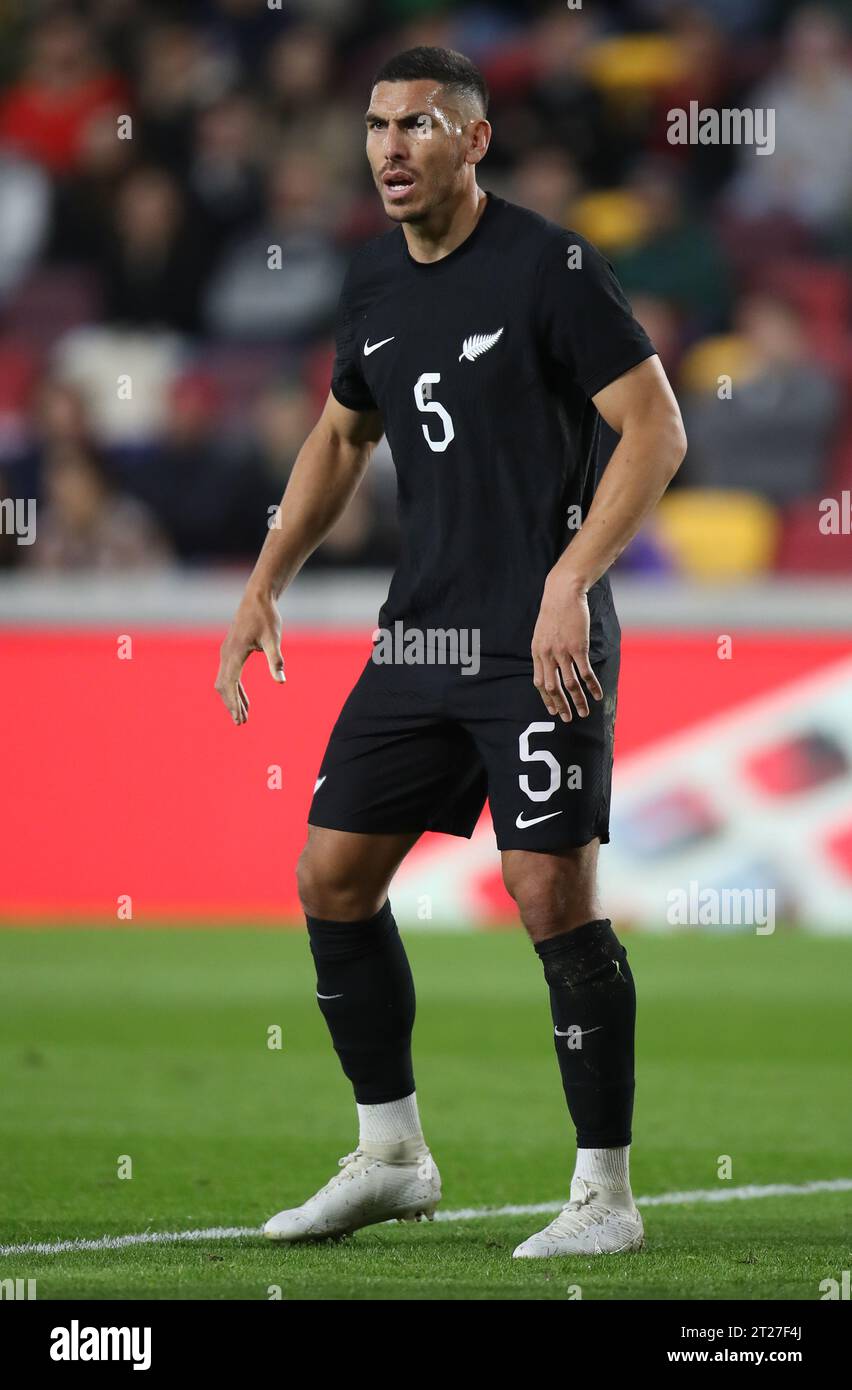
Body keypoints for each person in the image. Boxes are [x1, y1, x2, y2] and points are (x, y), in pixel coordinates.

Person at [216, 46, 686, 1258]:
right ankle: (391, 1157)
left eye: (418, 124)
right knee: (332, 876)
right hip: (421, 631)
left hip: (539, 633)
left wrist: (570, 580)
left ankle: (606, 1195)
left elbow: (655, 427)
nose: (390, 146)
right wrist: (266, 580)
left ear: (474, 141)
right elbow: (340, 437)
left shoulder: (552, 267)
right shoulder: (373, 279)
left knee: (549, 893)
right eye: (377, 125)